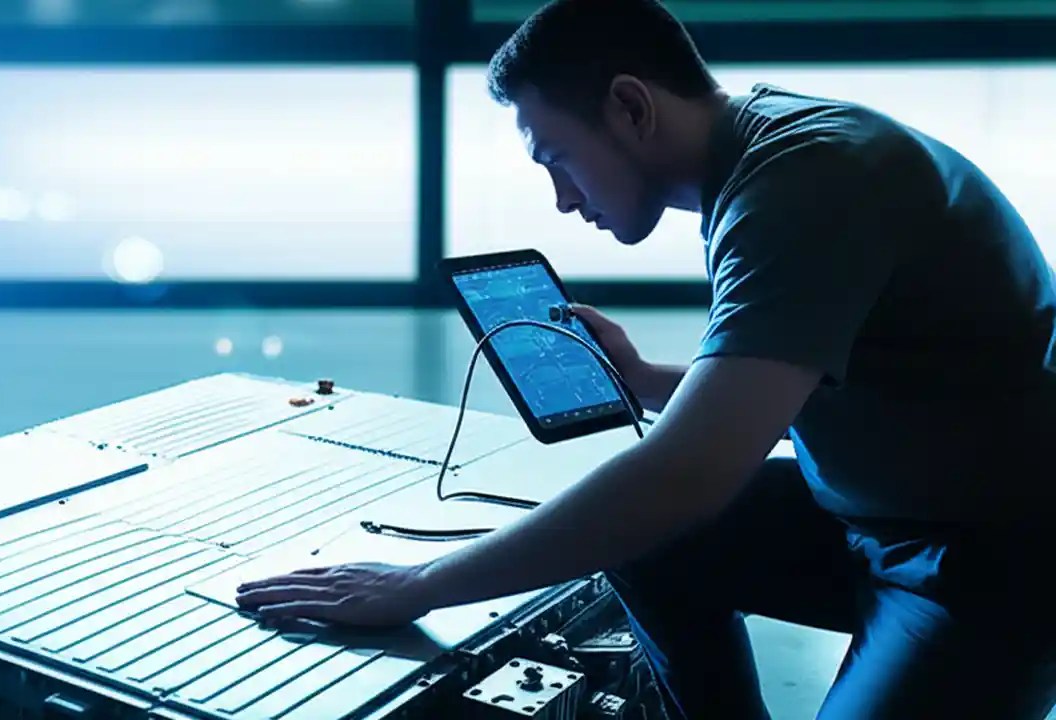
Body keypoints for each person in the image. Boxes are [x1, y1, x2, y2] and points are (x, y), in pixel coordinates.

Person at [236, 0, 1056, 716]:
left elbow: (688, 475)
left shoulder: (807, 182)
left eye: (555, 157)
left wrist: (420, 586)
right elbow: (819, 379)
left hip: (990, 557)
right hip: (874, 513)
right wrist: (651, 383)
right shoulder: (768, 153)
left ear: (630, 106)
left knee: (653, 513)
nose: (562, 197)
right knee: (644, 541)